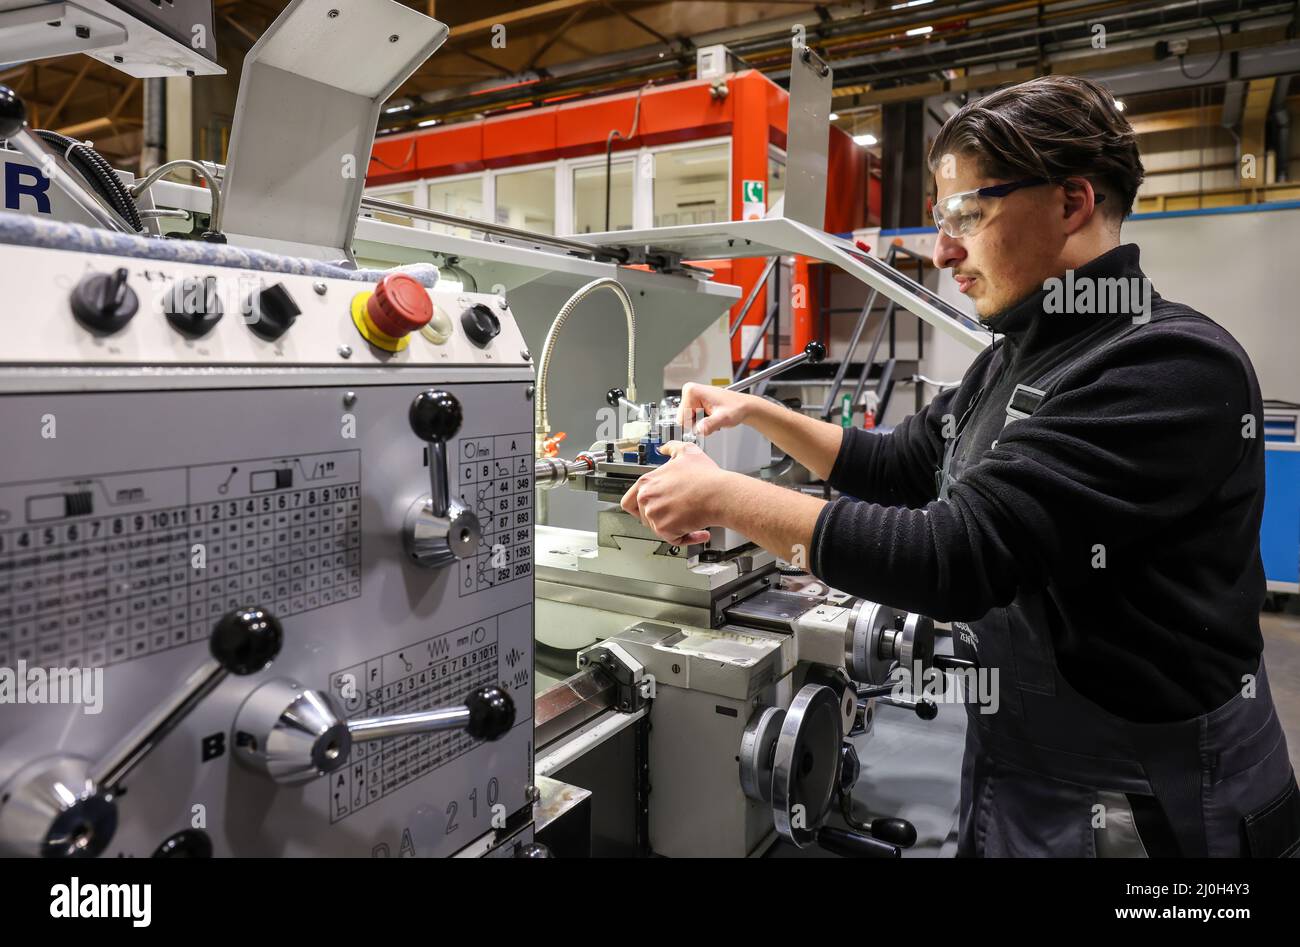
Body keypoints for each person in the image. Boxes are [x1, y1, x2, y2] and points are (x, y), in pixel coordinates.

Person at [620, 75, 1300, 857]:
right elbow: (903, 464)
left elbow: (957, 556)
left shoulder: (1167, 365)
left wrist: (725, 496)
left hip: (1145, 800)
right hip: (1023, 761)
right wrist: (753, 410)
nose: (944, 251)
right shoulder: (1016, 353)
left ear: (1071, 202)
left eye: (965, 217)